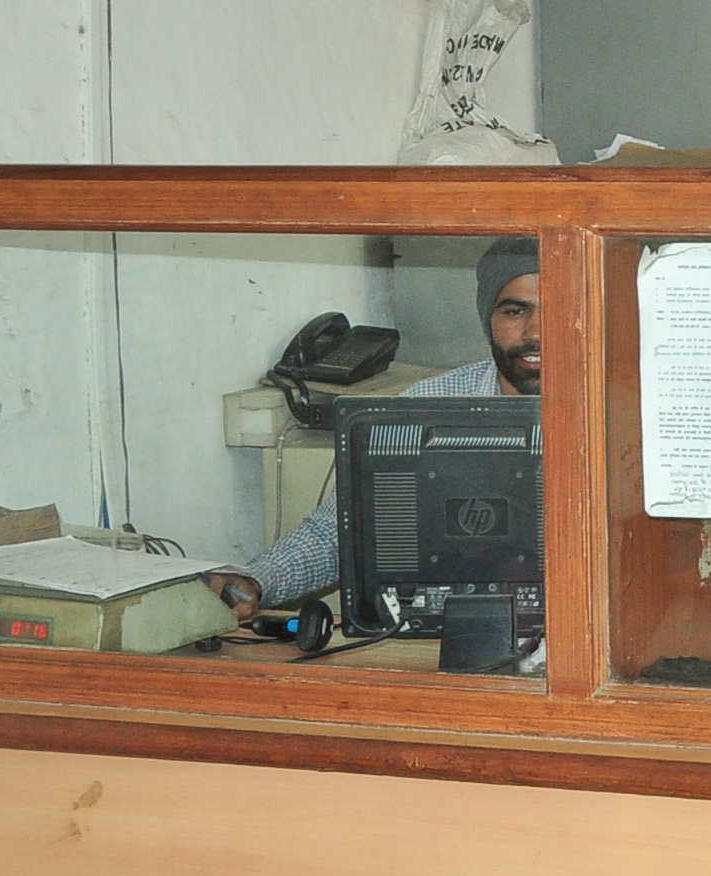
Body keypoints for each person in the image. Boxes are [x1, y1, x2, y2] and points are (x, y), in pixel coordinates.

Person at [204, 236, 540, 622]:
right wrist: (258, 580)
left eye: (556, 306)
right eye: (515, 311)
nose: (534, 332)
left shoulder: (621, 407)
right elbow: (340, 533)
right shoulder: (425, 406)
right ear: (489, 319)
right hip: (446, 632)